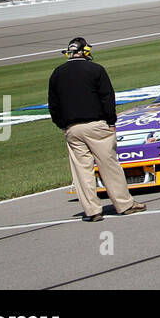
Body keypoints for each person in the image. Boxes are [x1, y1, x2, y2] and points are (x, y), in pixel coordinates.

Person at [47, 37, 146, 221]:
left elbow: (53, 104)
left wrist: (63, 124)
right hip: (97, 125)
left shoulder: (57, 73)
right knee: (109, 165)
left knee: (82, 171)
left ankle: (92, 211)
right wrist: (111, 122)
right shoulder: (95, 69)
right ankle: (124, 204)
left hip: (72, 129)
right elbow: (107, 97)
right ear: (85, 51)